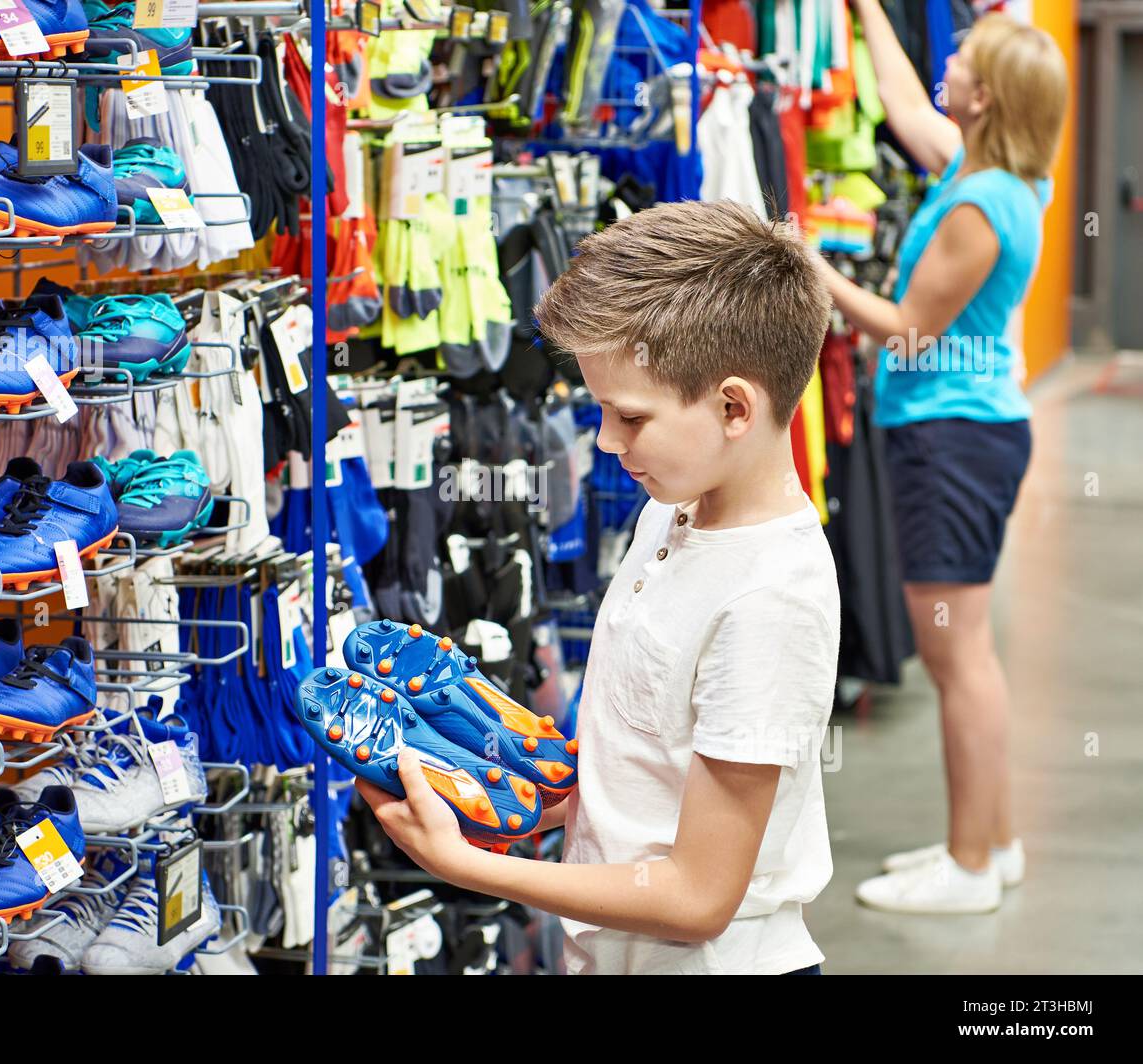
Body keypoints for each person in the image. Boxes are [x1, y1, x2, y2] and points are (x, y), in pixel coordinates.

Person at [356, 199, 841, 975]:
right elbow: (647, 764)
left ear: (733, 407)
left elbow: (697, 898)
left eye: (628, 417)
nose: (606, 441)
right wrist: (511, 791)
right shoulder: (674, 511)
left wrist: (467, 866)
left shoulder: (769, 599)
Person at [815, 2, 1069, 914]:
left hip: (952, 439)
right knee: (973, 658)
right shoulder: (992, 170)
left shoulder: (981, 204)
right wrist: (864, 8)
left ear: (986, 96)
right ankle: (989, 847)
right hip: (972, 432)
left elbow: (910, 334)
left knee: (959, 661)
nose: (946, 63)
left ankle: (969, 867)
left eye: (960, 59)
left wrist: (811, 266)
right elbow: (896, 97)